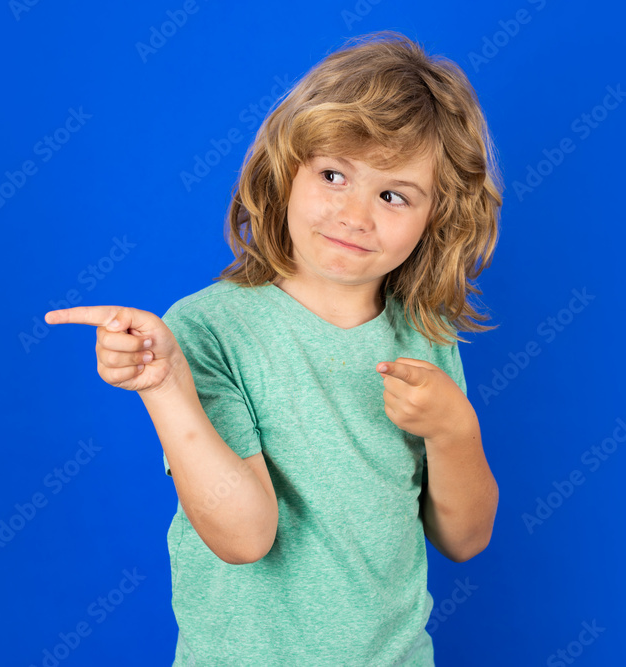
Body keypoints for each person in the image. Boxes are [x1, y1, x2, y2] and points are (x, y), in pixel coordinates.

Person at [45, 29, 502, 667]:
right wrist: (166, 388)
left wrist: (455, 430)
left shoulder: (424, 331)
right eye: (334, 174)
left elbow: (465, 538)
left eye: (393, 194)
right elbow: (244, 536)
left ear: (437, 217)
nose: (355, 214)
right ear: (287, 171)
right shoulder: (210, 330)